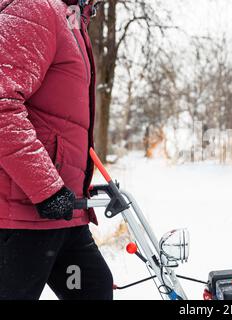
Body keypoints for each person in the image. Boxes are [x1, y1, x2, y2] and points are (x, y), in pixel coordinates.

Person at [0, 0, 113, 300]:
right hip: (21, 215)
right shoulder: (34, 9)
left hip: (63, 213)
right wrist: (47, 189)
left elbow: (61, 121)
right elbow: (2, 106)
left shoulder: (72, 20)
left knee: (93, 289)